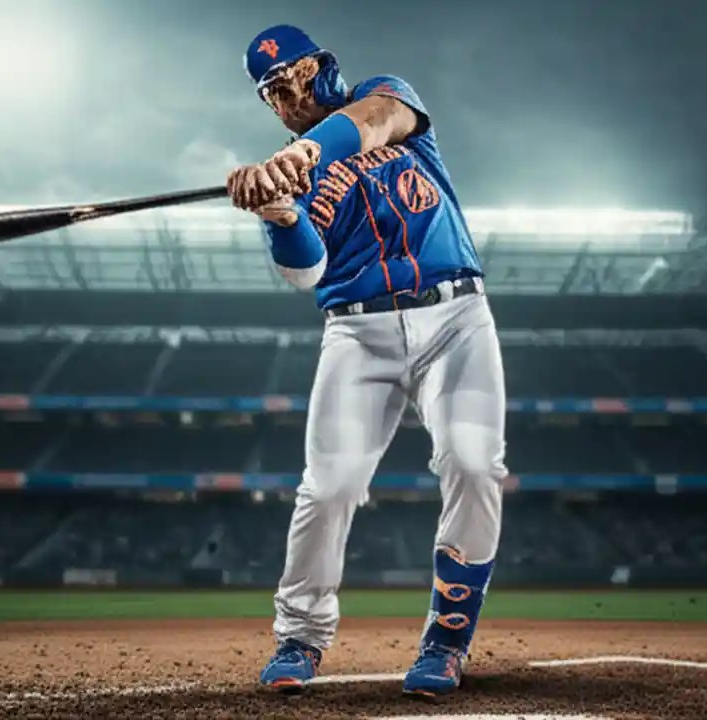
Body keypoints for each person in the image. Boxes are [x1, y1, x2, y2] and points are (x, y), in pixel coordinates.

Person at [227, 24, 507, 698]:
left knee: (474, 465)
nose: (289, 92)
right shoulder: (291, 172)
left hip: (456, 316)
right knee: (327, 488)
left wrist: (300, 155)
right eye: (273, 90)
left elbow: (376, 120)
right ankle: (299, 638)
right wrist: (278, 213)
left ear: (324, 67)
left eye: (296, 73)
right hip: (359, 331)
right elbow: (305, 273)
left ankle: (445, 642)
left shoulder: (386, 96)